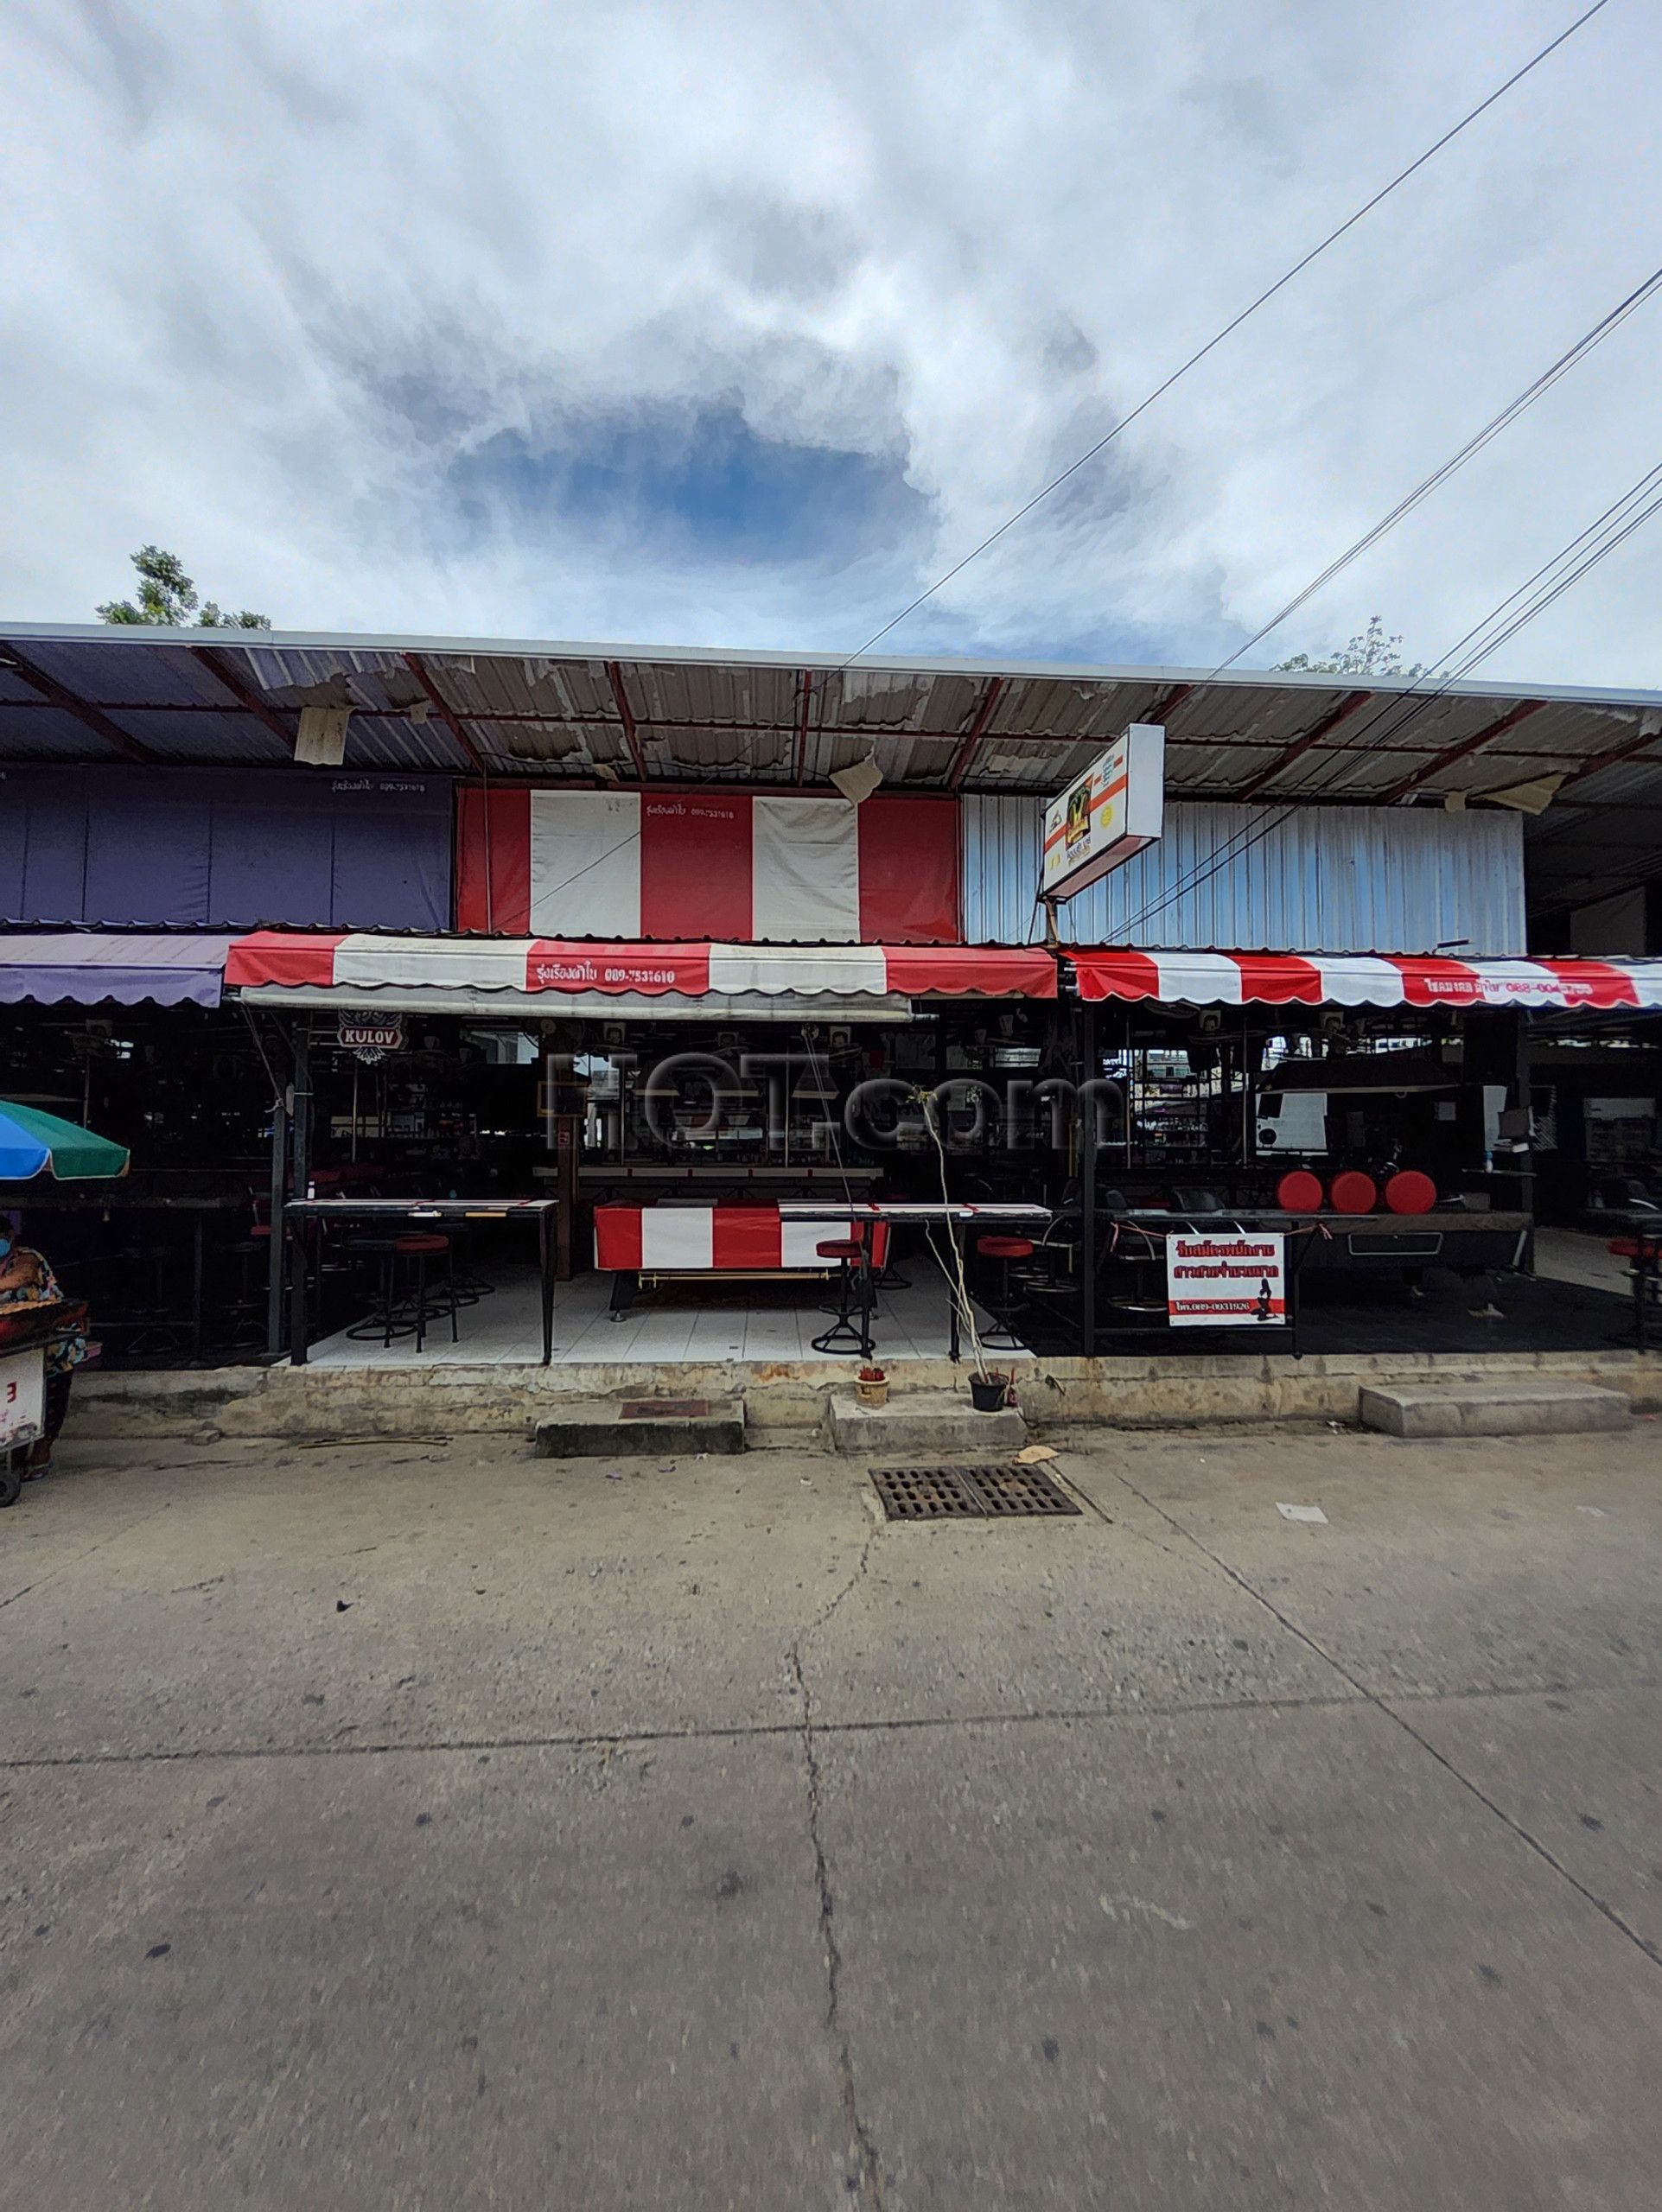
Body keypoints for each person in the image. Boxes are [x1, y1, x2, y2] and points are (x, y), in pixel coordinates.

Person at [0, 1228, 86, 1477]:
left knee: (51, 1398)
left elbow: (22, 1278)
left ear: (10, 1237)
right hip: (14, 1343)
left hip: (52, 1341)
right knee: (18, 1400)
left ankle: (41, 1454)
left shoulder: (27, 1257)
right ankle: (14, 1459)